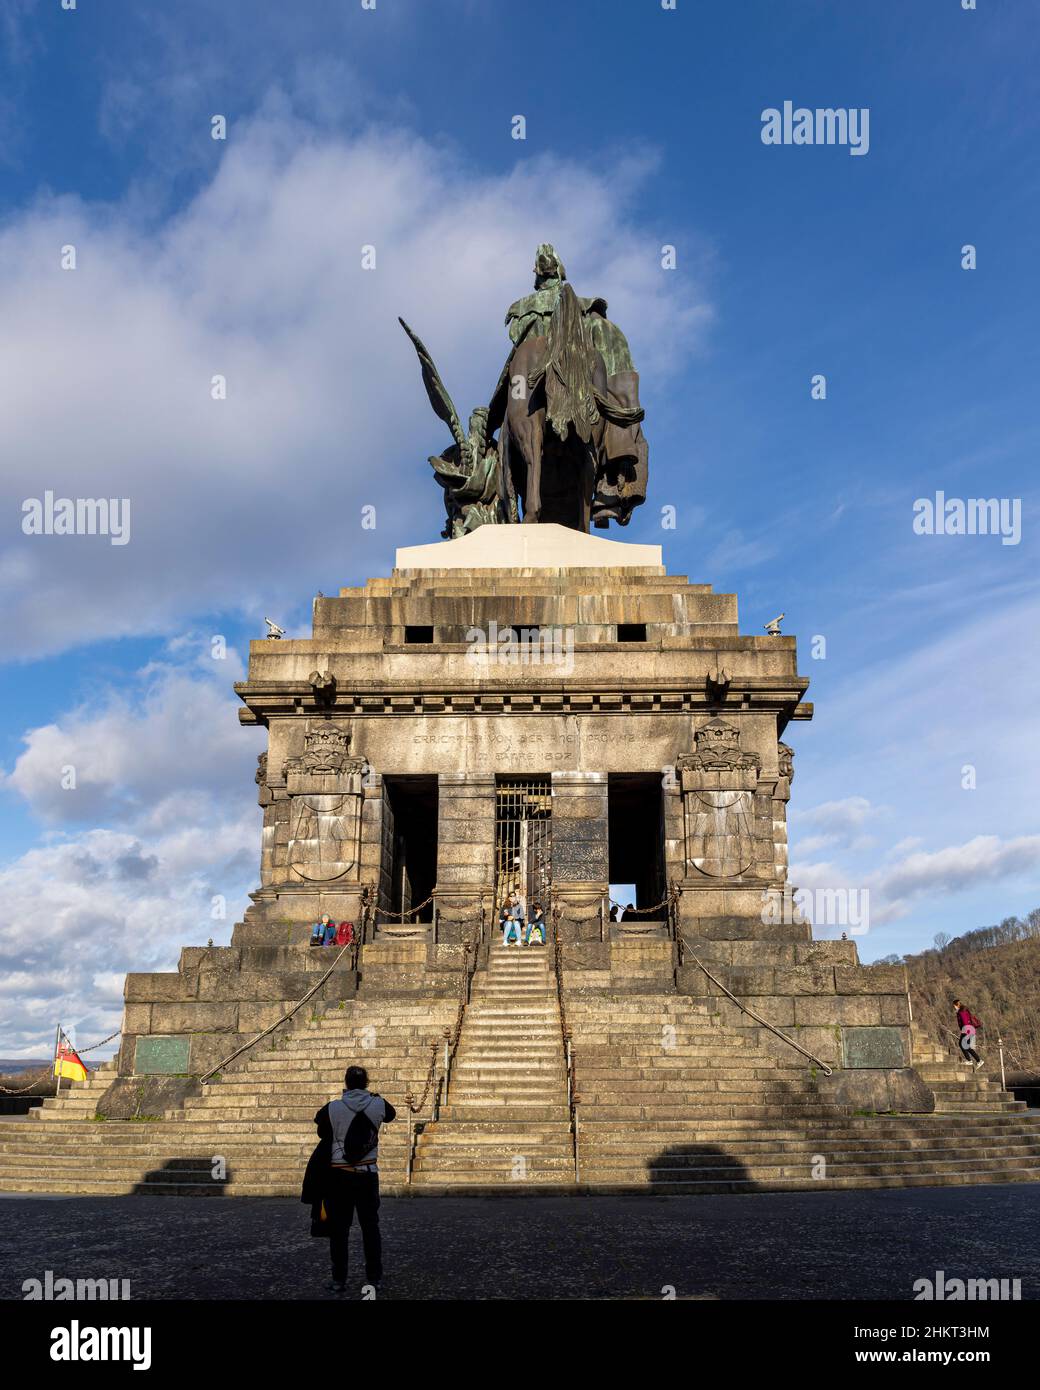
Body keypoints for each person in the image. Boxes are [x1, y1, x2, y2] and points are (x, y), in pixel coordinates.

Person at [303, 1064, 397, 1294]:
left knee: (339, 1230)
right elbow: (391, 1115)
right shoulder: (378, 1104)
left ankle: (339, 1279)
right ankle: (374, 1278)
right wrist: (374, 1098)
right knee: (370, 1228)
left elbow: (321, 1127)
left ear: (345, 1083)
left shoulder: (333, 1107)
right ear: (366, 1083)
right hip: (367, 1174)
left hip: (339, 1174)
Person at [954, 999, 984, 1070]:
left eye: (954, 1006)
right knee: (965, 1045)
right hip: (970, 1029)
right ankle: (978, 1060)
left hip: (968, 1029)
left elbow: (965, 1022)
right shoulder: (962, 1011)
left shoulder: (962, 1011)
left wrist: (965, 1030)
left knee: (962, 1044)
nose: (954, 1007)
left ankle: (971, 1060)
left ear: (957, 1005)